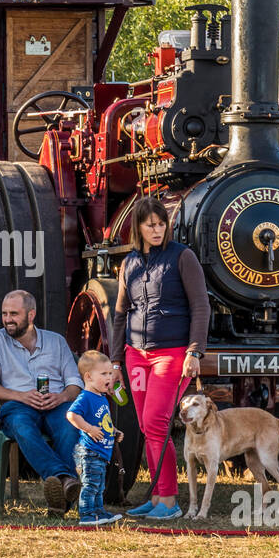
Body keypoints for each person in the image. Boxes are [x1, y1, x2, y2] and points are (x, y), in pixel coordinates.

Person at [110, 197, 211, 521]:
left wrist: (194, 351)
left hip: (172, 353)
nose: (156, 229)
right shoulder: (129, 263)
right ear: (137, 227)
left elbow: (200, 306)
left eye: (161, 223)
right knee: (146, 426)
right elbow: (120, 314)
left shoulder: (183, 257)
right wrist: (115, 361)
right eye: (150, 224)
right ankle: (156, 496)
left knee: (156, 422)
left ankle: (169, 501)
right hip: (135, 355)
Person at [0, 290, 84, 515]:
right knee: (22, 427)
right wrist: (20, 395)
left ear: (31, 315)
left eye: (14, 314)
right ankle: (64, 479)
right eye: (4, 313)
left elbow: (75, 384)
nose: (7, 319)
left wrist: (62, 397)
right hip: (17, 405)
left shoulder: (56, 341)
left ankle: (60, 501)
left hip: (56, 402)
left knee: (70, 423)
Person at [65, 351, 125, 526]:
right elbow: (72, 415)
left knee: (99, 486)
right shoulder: (85, 398)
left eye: (110, 373)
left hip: (101, 452)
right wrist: (89, 429)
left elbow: (104, 421)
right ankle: (86, 514)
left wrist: (114, 431)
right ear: (89, 377)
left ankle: (98, 511)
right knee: (90, 485)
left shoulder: (102, 398)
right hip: (89, 452)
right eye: (104, 374)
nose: (109, 377)